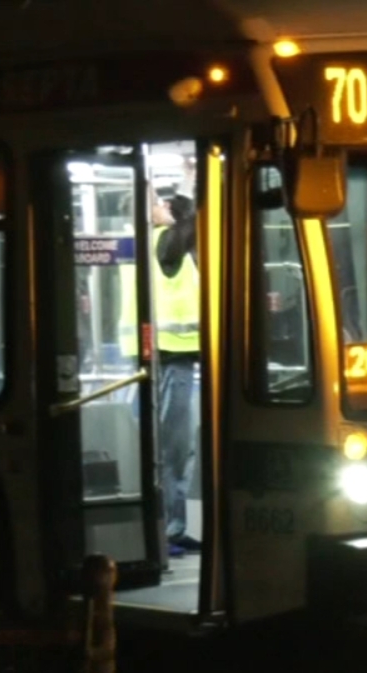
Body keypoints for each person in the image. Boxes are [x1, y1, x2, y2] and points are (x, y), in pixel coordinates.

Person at [152, 189, 202, 554]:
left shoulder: (170, 241)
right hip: (171, 357)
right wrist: (188, 217)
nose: (165, 205)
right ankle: (170, 529)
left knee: (179, 451)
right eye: (160, 201)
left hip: (174, 357)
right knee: (175, 450)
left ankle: (173, 526)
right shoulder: (164, 240)